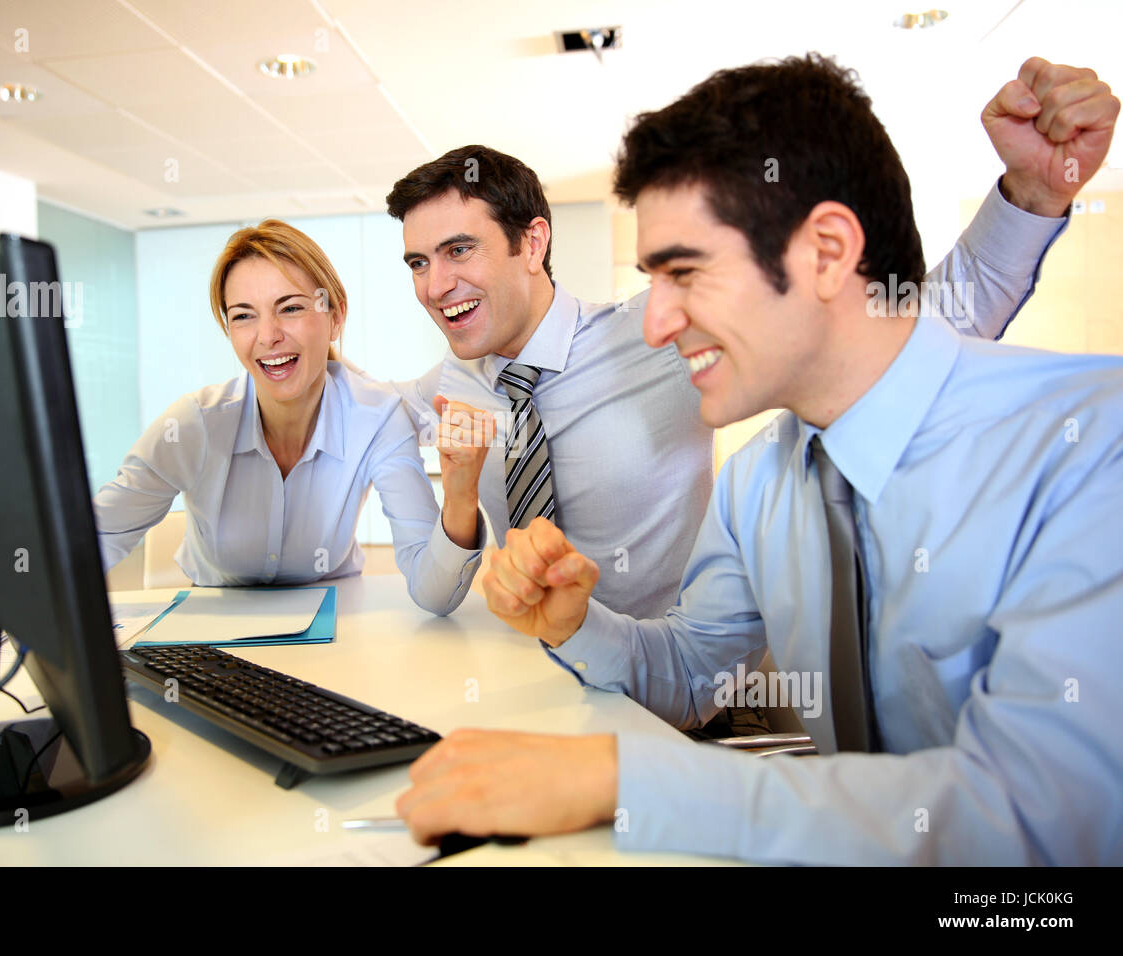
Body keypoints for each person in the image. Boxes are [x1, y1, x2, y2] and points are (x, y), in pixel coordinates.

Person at [395, 54, 1123, 864]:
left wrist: (622, 781)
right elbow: (689, 666)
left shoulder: (1096, 448)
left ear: (824, 252)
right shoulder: (756, 487)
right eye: (417, 264)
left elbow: (1046, 824)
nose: (658, 322)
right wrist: (576, 624)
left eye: (685, 273)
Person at [385, 104, 1074, 623]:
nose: (433, 286)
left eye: (458, 251)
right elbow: (432, 592)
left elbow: (908, 329)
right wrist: (461, 498)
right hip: (529, 682)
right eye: (418, 262)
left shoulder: (656, 335)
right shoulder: (445, 389)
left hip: (677, 691)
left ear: (531, 242)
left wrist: (1031, 197)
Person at [93, 220, 489, 616]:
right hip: (213, 633)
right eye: (244, 316)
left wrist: (460, 495)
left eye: (291, 308)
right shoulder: (194, 425)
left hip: (339, 627)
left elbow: (435, 593)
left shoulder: (379, 418)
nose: (268, 336)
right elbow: (91, 540)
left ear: (335, 317)